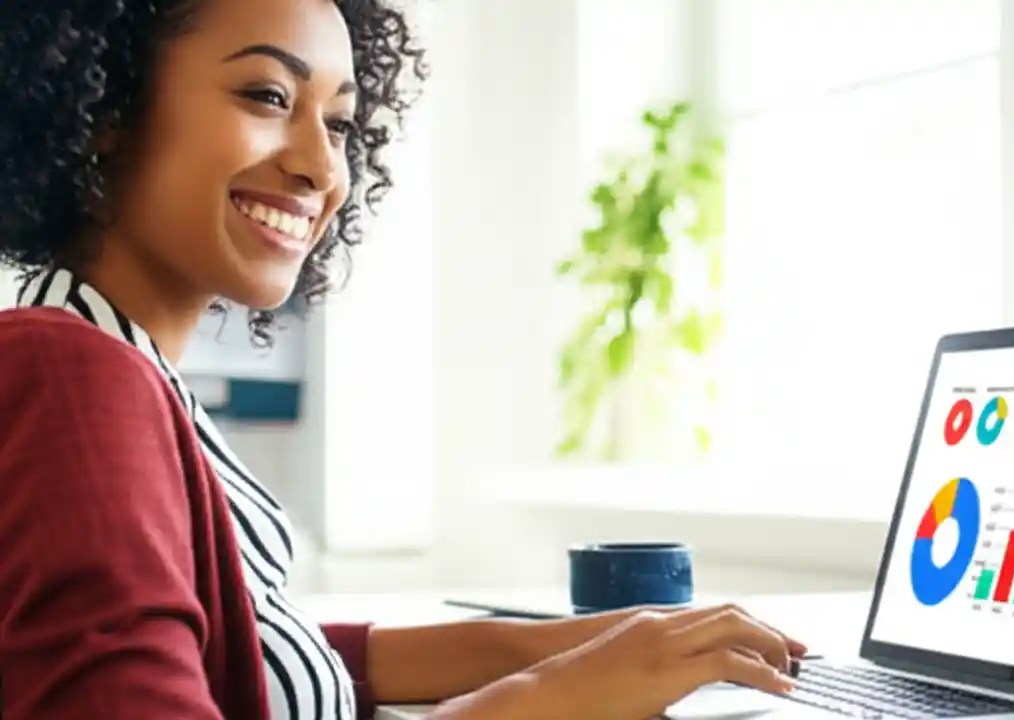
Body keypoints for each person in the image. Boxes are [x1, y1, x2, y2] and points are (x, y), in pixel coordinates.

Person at [0, 1, 806, 719]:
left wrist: (563, 644)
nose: (322, 168)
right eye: (268, 97)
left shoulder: (111, 358)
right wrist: (545, 700)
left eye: (341, 124)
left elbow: (256, 653)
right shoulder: (74, 376)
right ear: (106, 106)